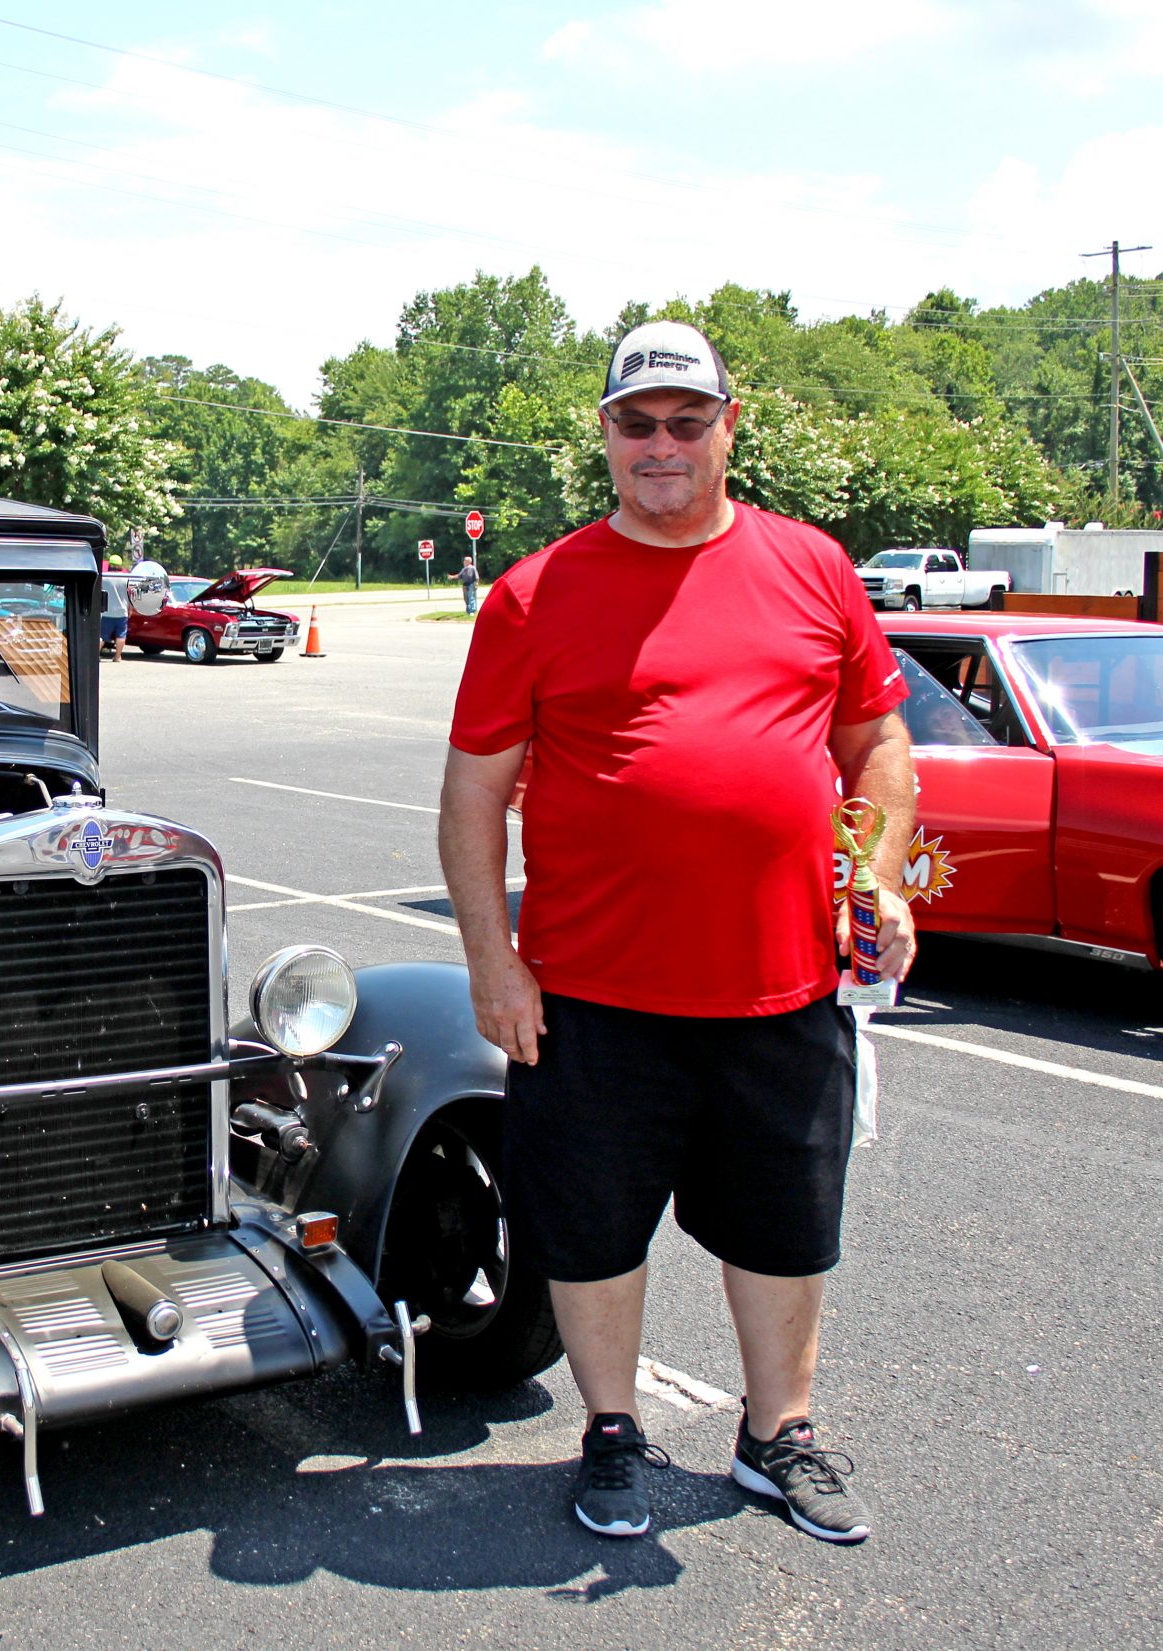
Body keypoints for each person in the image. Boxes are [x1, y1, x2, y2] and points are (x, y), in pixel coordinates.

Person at [438, 320, 915, 1546]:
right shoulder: (535, 592)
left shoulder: (810, 566)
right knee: (589, 1232)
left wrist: (877, 878)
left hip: (785, 985)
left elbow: (875, 743)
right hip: (592, 993)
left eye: (684, 421)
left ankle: (777, 1435)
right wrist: (492, 959)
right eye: (636, 423)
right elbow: (473, 792)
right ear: (603, 433)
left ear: (724, 427)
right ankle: (610, 1428)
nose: (660, 445)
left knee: (785, 1226)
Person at [100, 554, 129, 662]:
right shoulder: (126, 579)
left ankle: (94, 655)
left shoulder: (104, 577)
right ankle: (117, 656)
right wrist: (129, 609)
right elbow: (129, 596)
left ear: (110, 565)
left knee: (102, 635)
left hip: (107, 611)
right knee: (121, 635)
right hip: (122, 612)